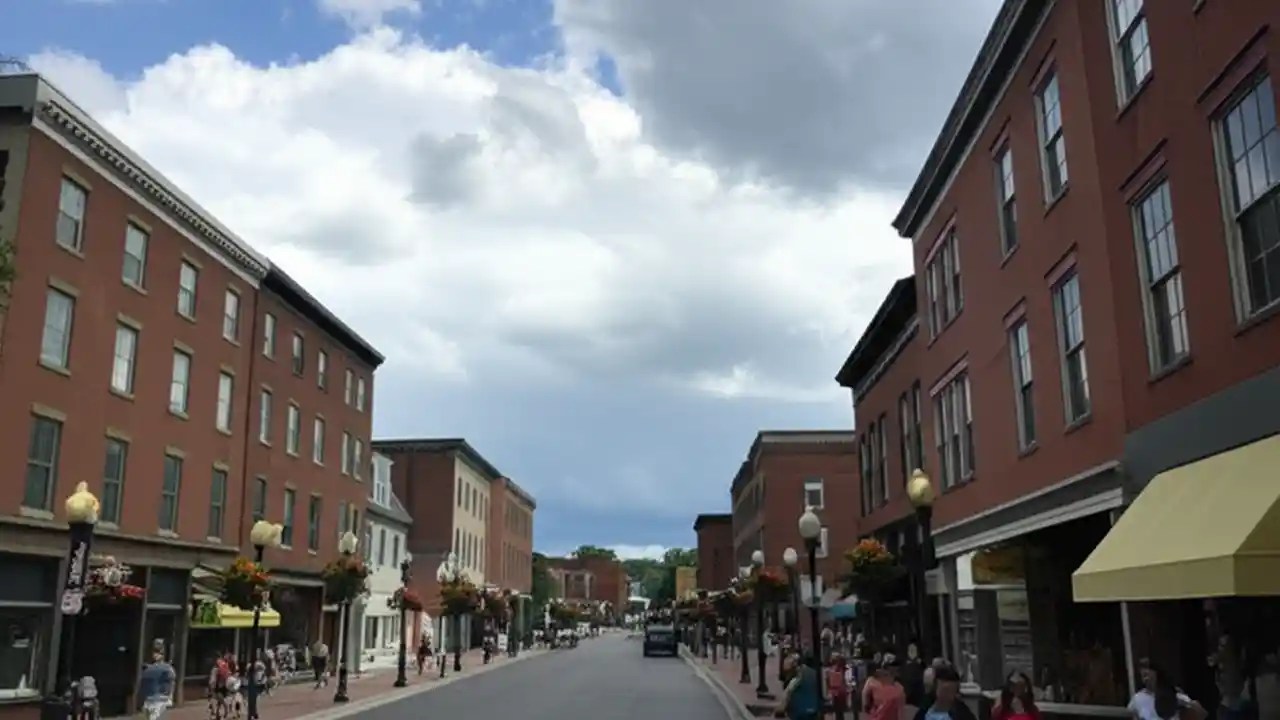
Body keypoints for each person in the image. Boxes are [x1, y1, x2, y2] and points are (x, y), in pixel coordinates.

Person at [1128, 659, 1207, 720]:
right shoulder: (1137, 699)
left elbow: (1202, 714)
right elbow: (1128, 715)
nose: (1144, 672)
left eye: (1148, 668)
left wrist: (1186, 703)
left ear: (1157, 672)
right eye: (1142, 669)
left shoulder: (1173, 694)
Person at [775, 653, 821, 720]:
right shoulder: (813, 673)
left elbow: (787, 695)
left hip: (801, 713)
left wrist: (780, 710)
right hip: (815, 710)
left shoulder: (797, 679)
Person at [864, 654, 907, 720]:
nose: (897, 668)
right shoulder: (871, 683)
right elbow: (866, 704)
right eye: (894, 665)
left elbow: (865, 705)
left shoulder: (899, 688)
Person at [139, 650, 176, 720]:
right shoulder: (167, 668)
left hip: (153, 698)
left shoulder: (147, 669)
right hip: (158, 698)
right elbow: (171, 683)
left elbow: (142, 685)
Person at [827, 653, 851, 720]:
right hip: (838, 692)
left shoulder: (836, 669)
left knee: (838, 712)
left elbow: (829, 683)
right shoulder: (840, 669)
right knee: (839, 713)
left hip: (838, 692)